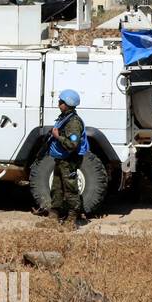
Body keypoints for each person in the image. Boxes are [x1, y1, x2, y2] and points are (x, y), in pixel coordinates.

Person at [48, 89, 88, 224]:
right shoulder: (64, 118)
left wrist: (57, 137)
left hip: (69, 160)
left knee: (70, 189)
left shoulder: (73, 122)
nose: (58, 103)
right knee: (56, 188)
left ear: (67, 104)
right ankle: (53, 217)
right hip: (61, 160)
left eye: (61, 101)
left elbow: (72, 145)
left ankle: (72, 220)